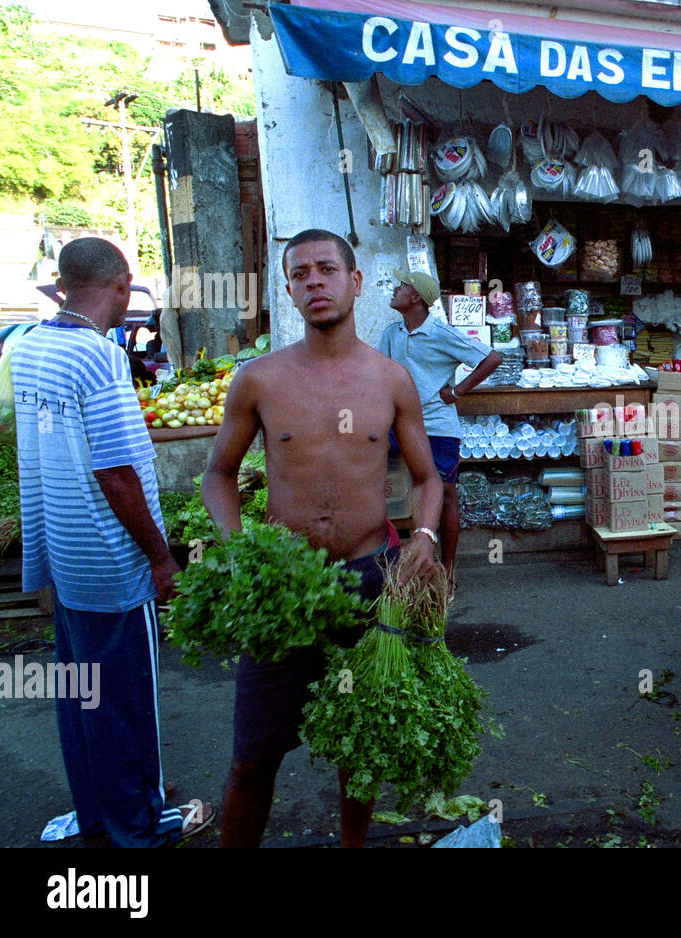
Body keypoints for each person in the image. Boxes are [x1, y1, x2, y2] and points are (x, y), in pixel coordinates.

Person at [203, 229, 445, 848]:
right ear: (288, 289)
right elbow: (219, 475)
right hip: (284, 590)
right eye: (301, 273)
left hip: (371, 581)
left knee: (359, 744)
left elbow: (427, 478)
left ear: (355, 282)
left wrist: (422, 534)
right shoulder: (259, 379)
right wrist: (236, 547)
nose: (315, 281)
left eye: (327, 269)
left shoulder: (392, 380)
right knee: (254, 757)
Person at [9, 237, 208, 846]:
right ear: (122, 283)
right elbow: (117, 471)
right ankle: (141, 824)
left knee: (82, 696)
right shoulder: (98, 356)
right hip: (109, 561)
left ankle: (99, 808)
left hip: (64, 556)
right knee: (126, 701)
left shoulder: (29, 347)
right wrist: (158, 555)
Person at [378, 268, 501, 586]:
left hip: (437, 427)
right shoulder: (392, 334)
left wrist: (458, 391)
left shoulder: (440, 332)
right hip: (400, 426)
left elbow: (491, 358)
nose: (395, 289)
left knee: (445, 494)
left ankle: (447, 570)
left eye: (401, 286)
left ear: (416, 297)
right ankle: (405, 562)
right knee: (392, 490)